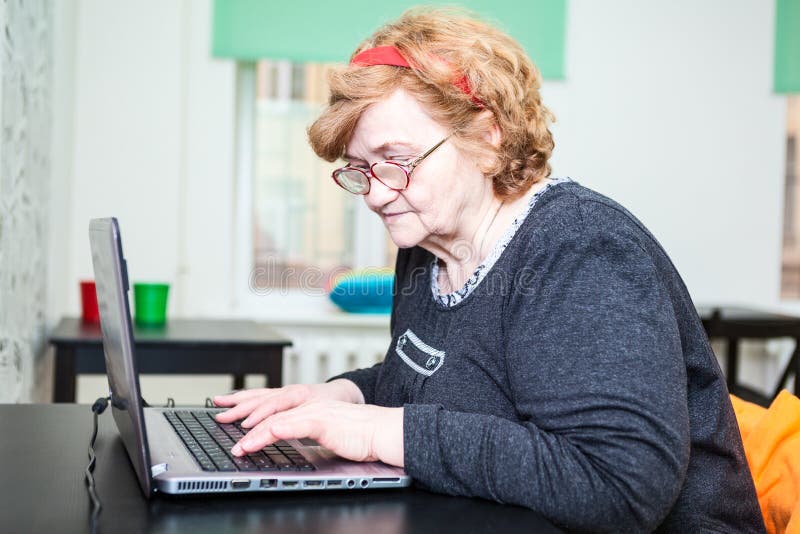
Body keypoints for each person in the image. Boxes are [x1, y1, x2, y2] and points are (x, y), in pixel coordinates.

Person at [214, 8, 765, 532]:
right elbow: (443, 385)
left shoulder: (581, 251)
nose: (378, 194)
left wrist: (382, 430)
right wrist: (343, 398)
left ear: (486, 135)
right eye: (360, 169)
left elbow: (619, 489)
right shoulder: (427, 241)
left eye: (397, 161)